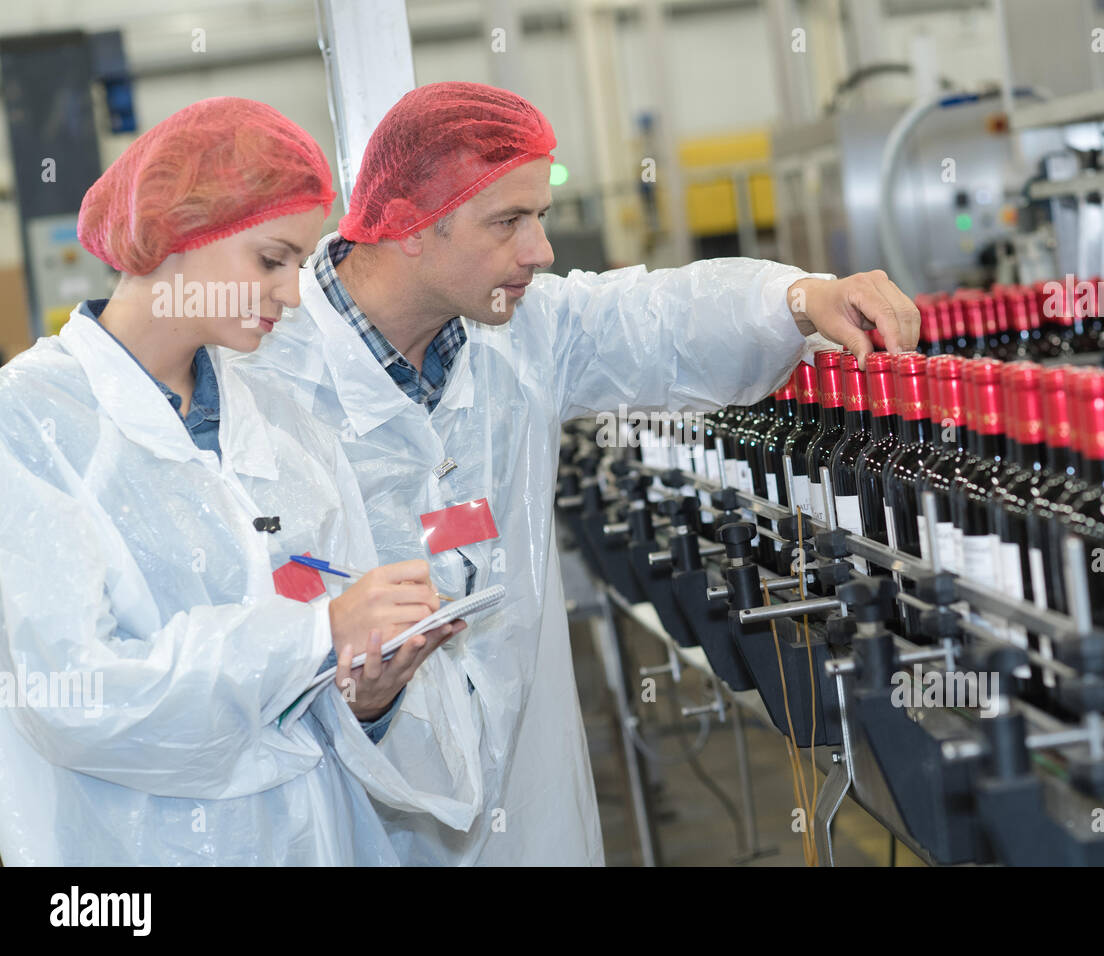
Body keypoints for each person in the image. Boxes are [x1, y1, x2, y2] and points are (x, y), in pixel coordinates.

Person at [239, 81, 921, 865]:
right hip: (352, 819)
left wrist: (801, 299)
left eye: (540, 217)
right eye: (509, 222)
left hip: (529, 806)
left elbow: (656, 319)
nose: (540, 250)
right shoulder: (260, 379)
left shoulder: (517, 335)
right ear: (413, 227)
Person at [0, 97, 486, 865]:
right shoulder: (30, 421)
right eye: (272, 259)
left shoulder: (283, 423)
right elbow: (75, 696)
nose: (294, 295)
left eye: (299, 262)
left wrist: (370, 690)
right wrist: (315, 634)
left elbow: (322, 684)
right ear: (174, 233)